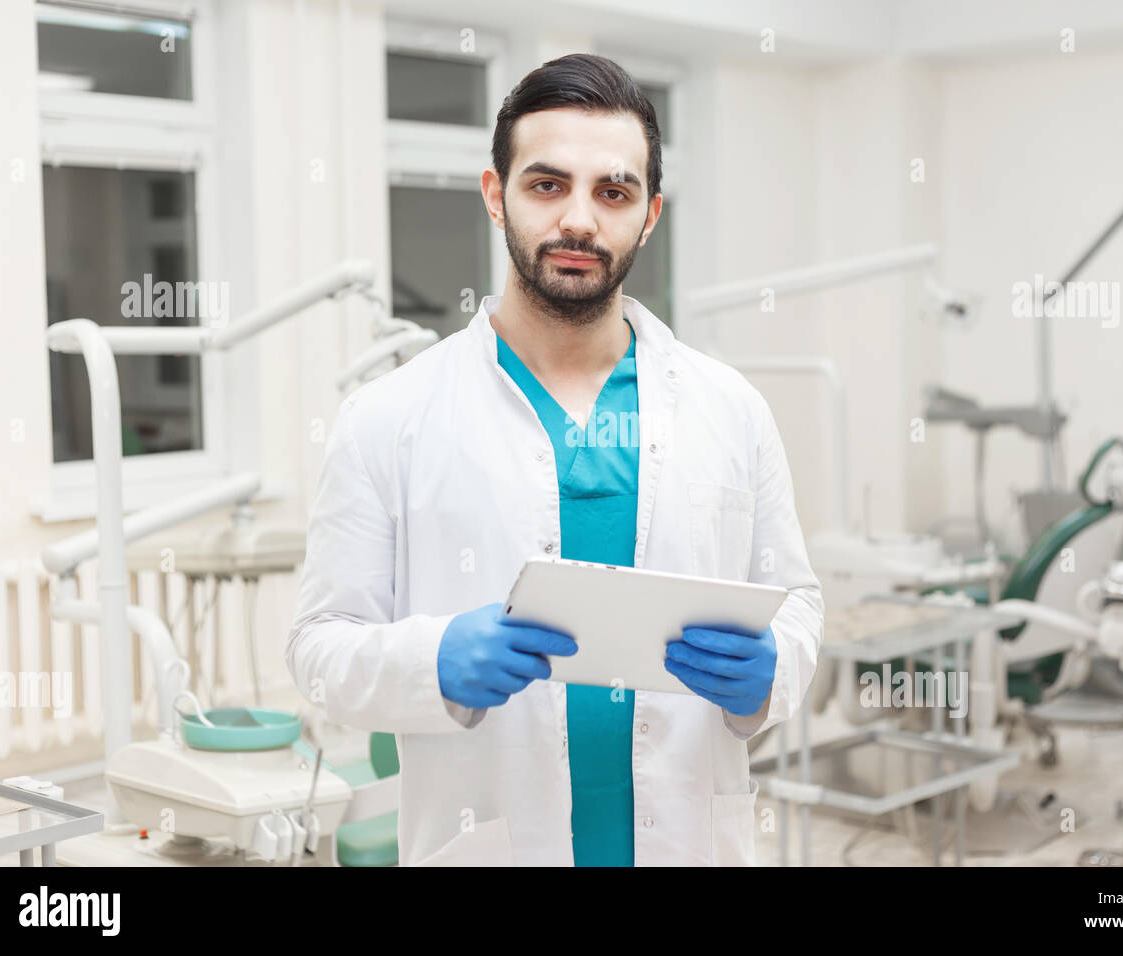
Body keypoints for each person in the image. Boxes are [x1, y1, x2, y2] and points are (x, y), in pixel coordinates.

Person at [286, 53, 822, 866]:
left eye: (613, 192)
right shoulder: (388, 418)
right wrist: (432, 660)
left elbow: (797, 602)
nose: (579, 220)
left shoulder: (730, 409)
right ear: (496, 196)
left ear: (649, 216)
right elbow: (319, 648)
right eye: (547, 185)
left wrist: (774, 671)